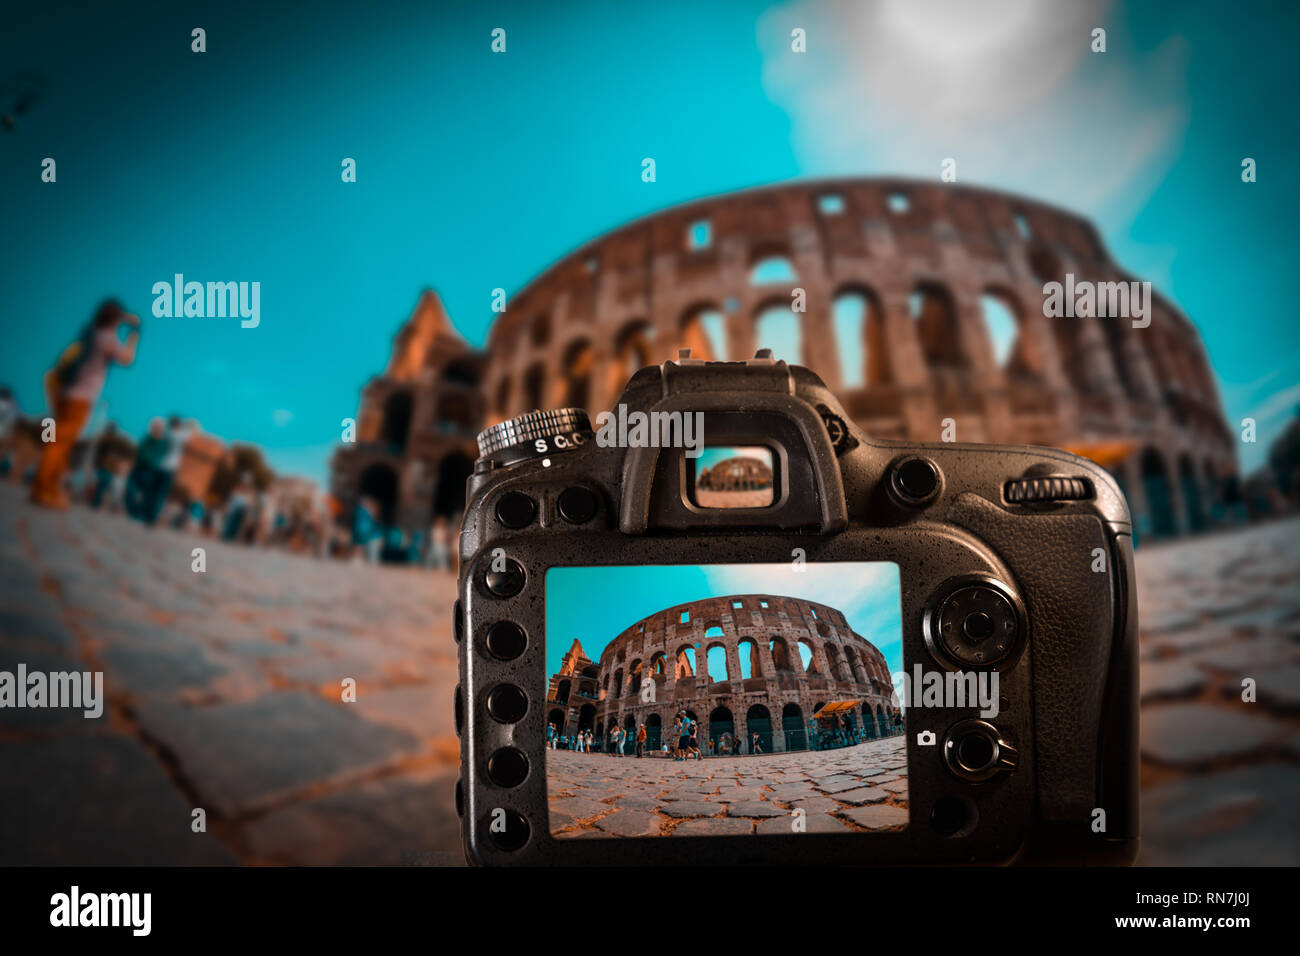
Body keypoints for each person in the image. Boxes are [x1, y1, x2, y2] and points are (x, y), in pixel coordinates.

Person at [31, 301, 139, 508]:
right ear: (115, 320)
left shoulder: (90, 332)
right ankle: (42, 489)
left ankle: (48, 487)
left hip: (64, 392)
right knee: (60, 443)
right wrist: (134, 332)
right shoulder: (107, 338)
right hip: (80, 397)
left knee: (59, 441)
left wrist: (121, 317)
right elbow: (127, 359)